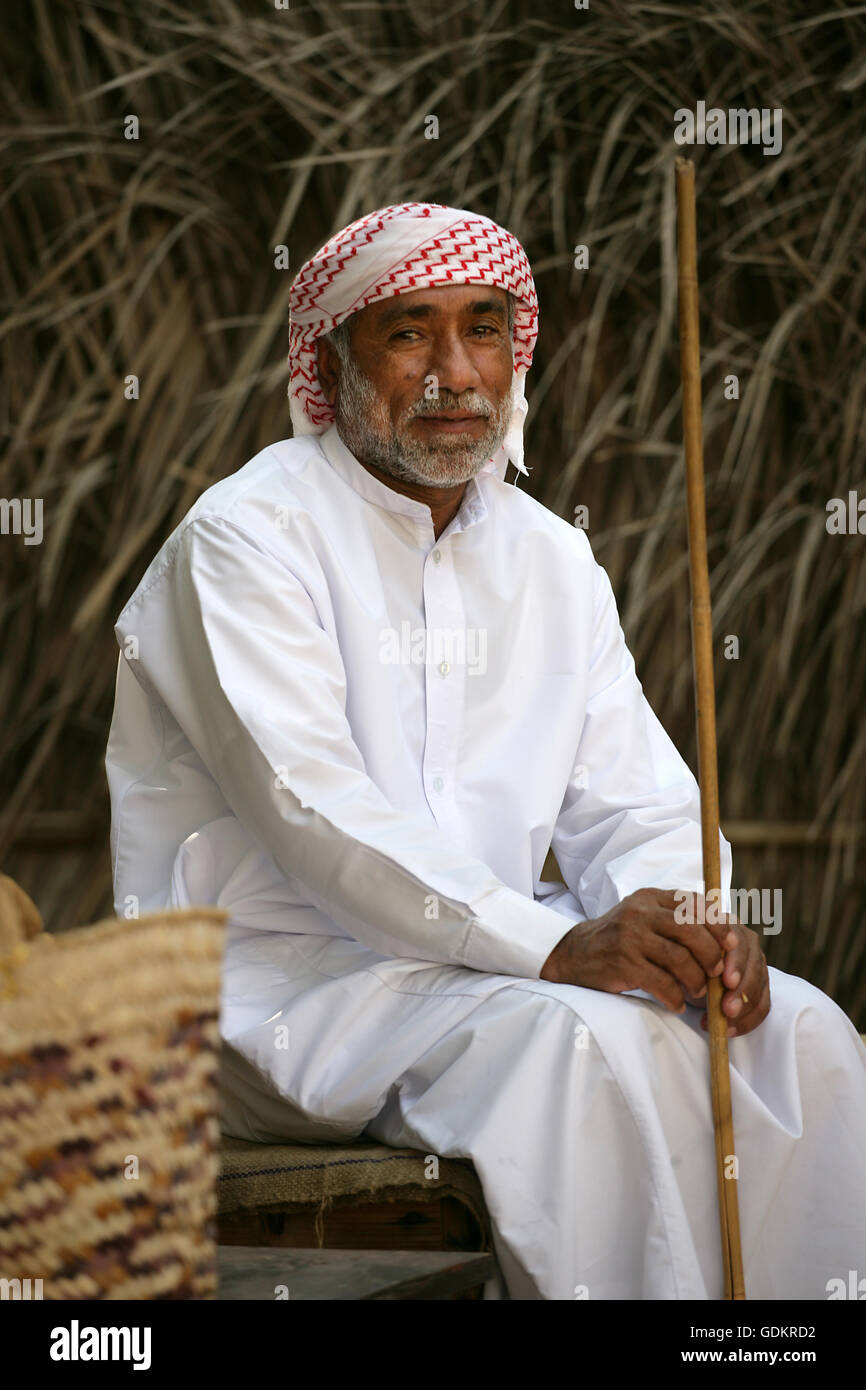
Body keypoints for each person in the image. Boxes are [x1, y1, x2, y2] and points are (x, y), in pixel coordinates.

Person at [105, 201, 866, 1299]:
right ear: (333, 358)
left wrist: (694, 927)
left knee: (799, 1032)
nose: (454, 373)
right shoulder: (245, 539)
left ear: (518, 350)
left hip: (487, 976)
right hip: (279, 989)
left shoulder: (552, 558)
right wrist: (551, 947)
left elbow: (636, 800)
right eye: (409, 332)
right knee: (576, 1051)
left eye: (483, 329)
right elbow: (315, 814)